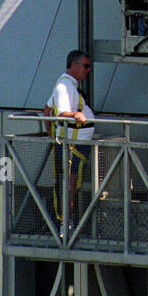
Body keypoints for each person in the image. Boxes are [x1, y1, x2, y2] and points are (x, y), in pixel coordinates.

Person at [46, 50, 95, 221]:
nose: (88, 70)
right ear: (74, 65)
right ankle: (66, 223)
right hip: (71, 145)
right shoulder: (64, 86)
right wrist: (75, 115)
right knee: (70, 183)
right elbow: (61, 113)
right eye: (86, 66)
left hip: (74, 143)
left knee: (72, 182)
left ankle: (66, 221)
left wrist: (50, 132)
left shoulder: (67, 84)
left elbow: (47, 108)